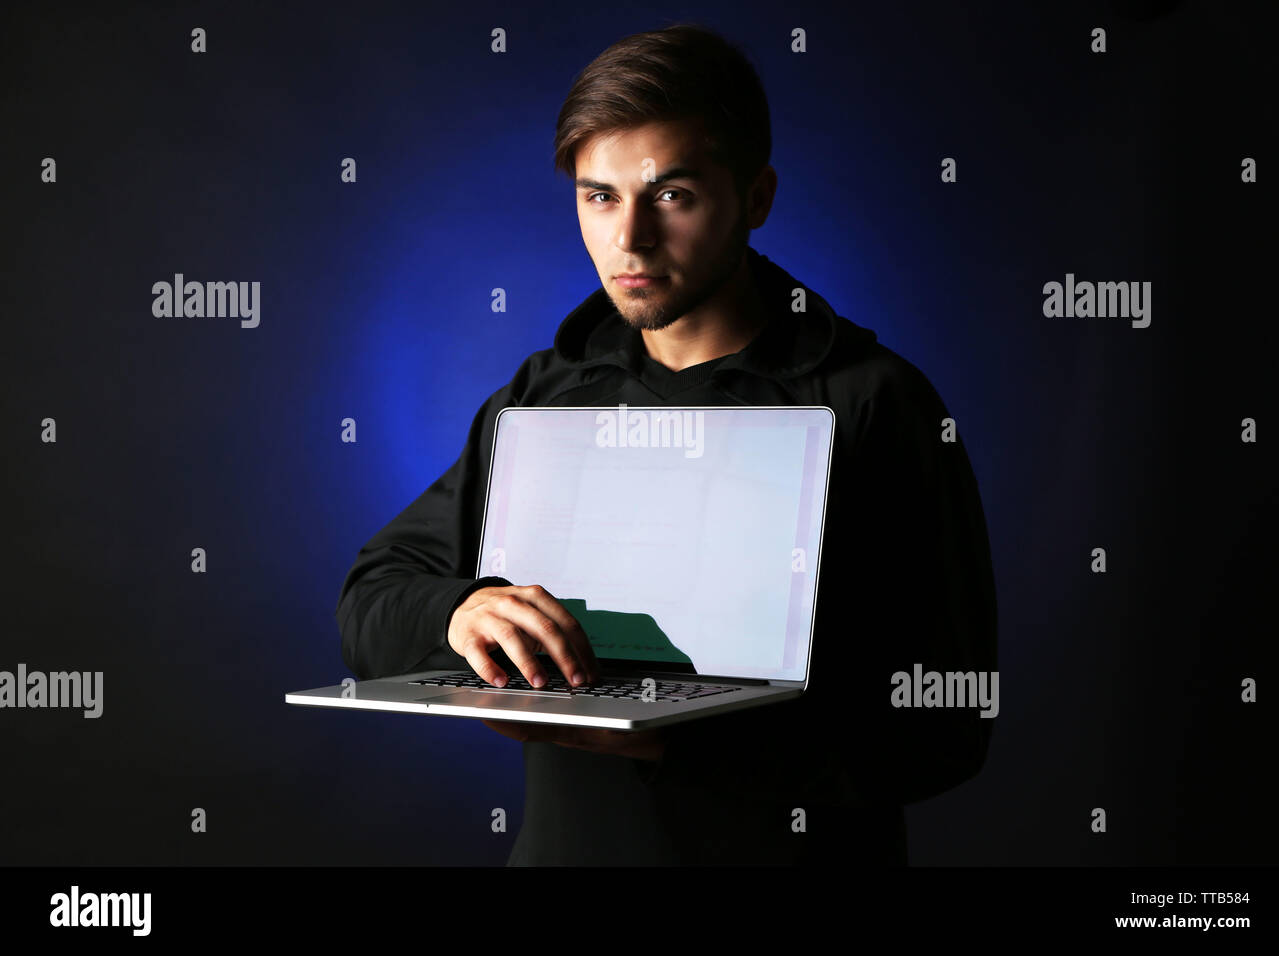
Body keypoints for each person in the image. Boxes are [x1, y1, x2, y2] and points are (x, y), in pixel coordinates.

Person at [336, 23, 997, 865]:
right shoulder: (545, 394)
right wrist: (459, 608)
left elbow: (947, 727)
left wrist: (673, 741)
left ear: (755, 199)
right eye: (599, 196)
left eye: (672, 194)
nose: (630, 240)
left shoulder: (878, 405)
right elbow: (370, 600)